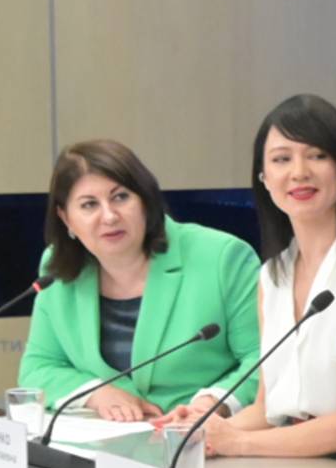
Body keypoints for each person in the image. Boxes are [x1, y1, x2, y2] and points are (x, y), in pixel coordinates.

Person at [188, 95, 336, 468]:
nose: (299, 172)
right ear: (264, 179)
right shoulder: (272, 276)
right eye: (281, 159)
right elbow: (266, 410)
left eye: (316, 156)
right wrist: (200, 431)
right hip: (290, 457)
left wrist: (240, 442)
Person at [18, 140, 262, 422]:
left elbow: (263, 359)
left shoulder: (222, 257)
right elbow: (37, 368)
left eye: (121, 197)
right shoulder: (58, 268)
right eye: (89, 205)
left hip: (202, 433)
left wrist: (214, 401)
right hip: (108, 438)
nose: (109, 216)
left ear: (145, 200)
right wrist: (96, 393)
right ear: (66, 218)